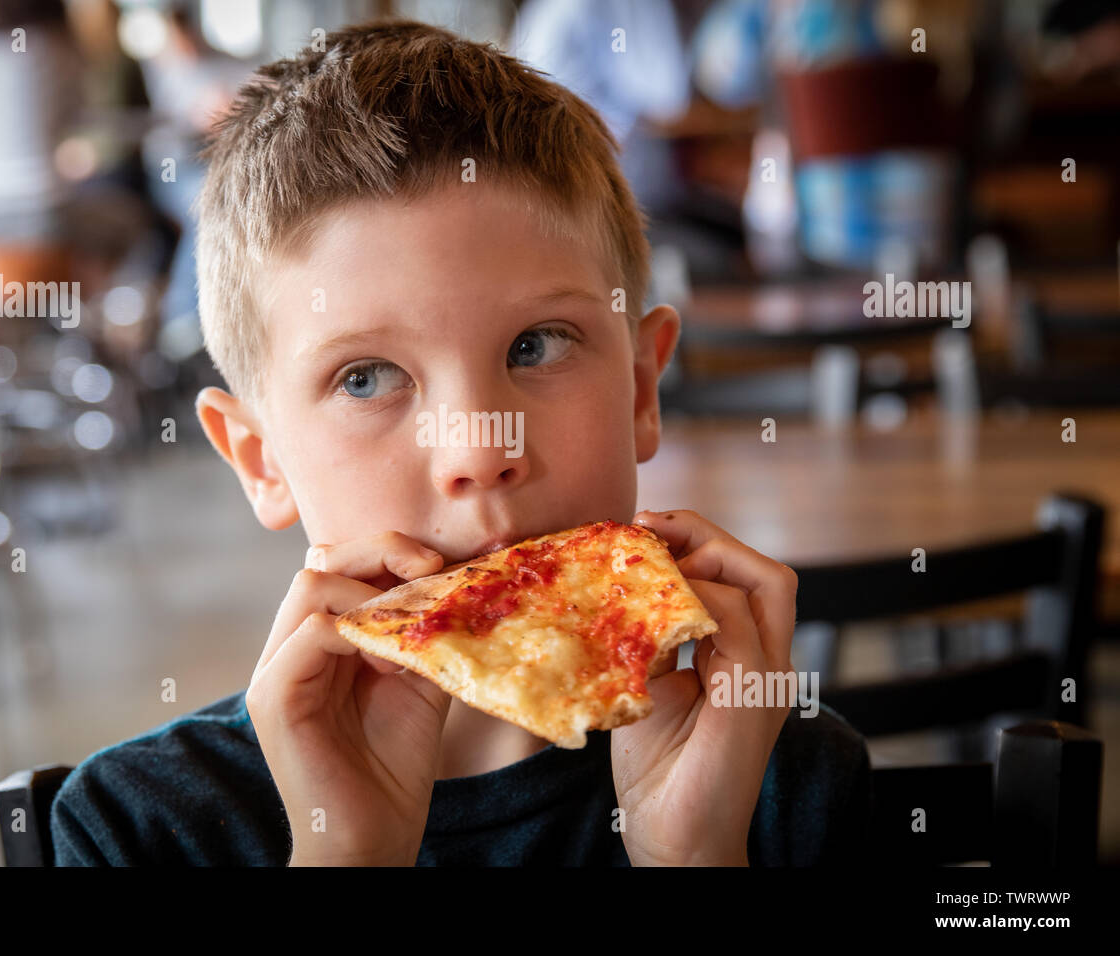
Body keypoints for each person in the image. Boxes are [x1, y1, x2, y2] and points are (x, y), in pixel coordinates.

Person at [50, 18, 870, 866]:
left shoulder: (785, 783)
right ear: (260, 459)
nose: (481, 448)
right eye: (366, 377)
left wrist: (695, 855)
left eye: (536, 345)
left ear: (638, 389)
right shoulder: (134, 830)